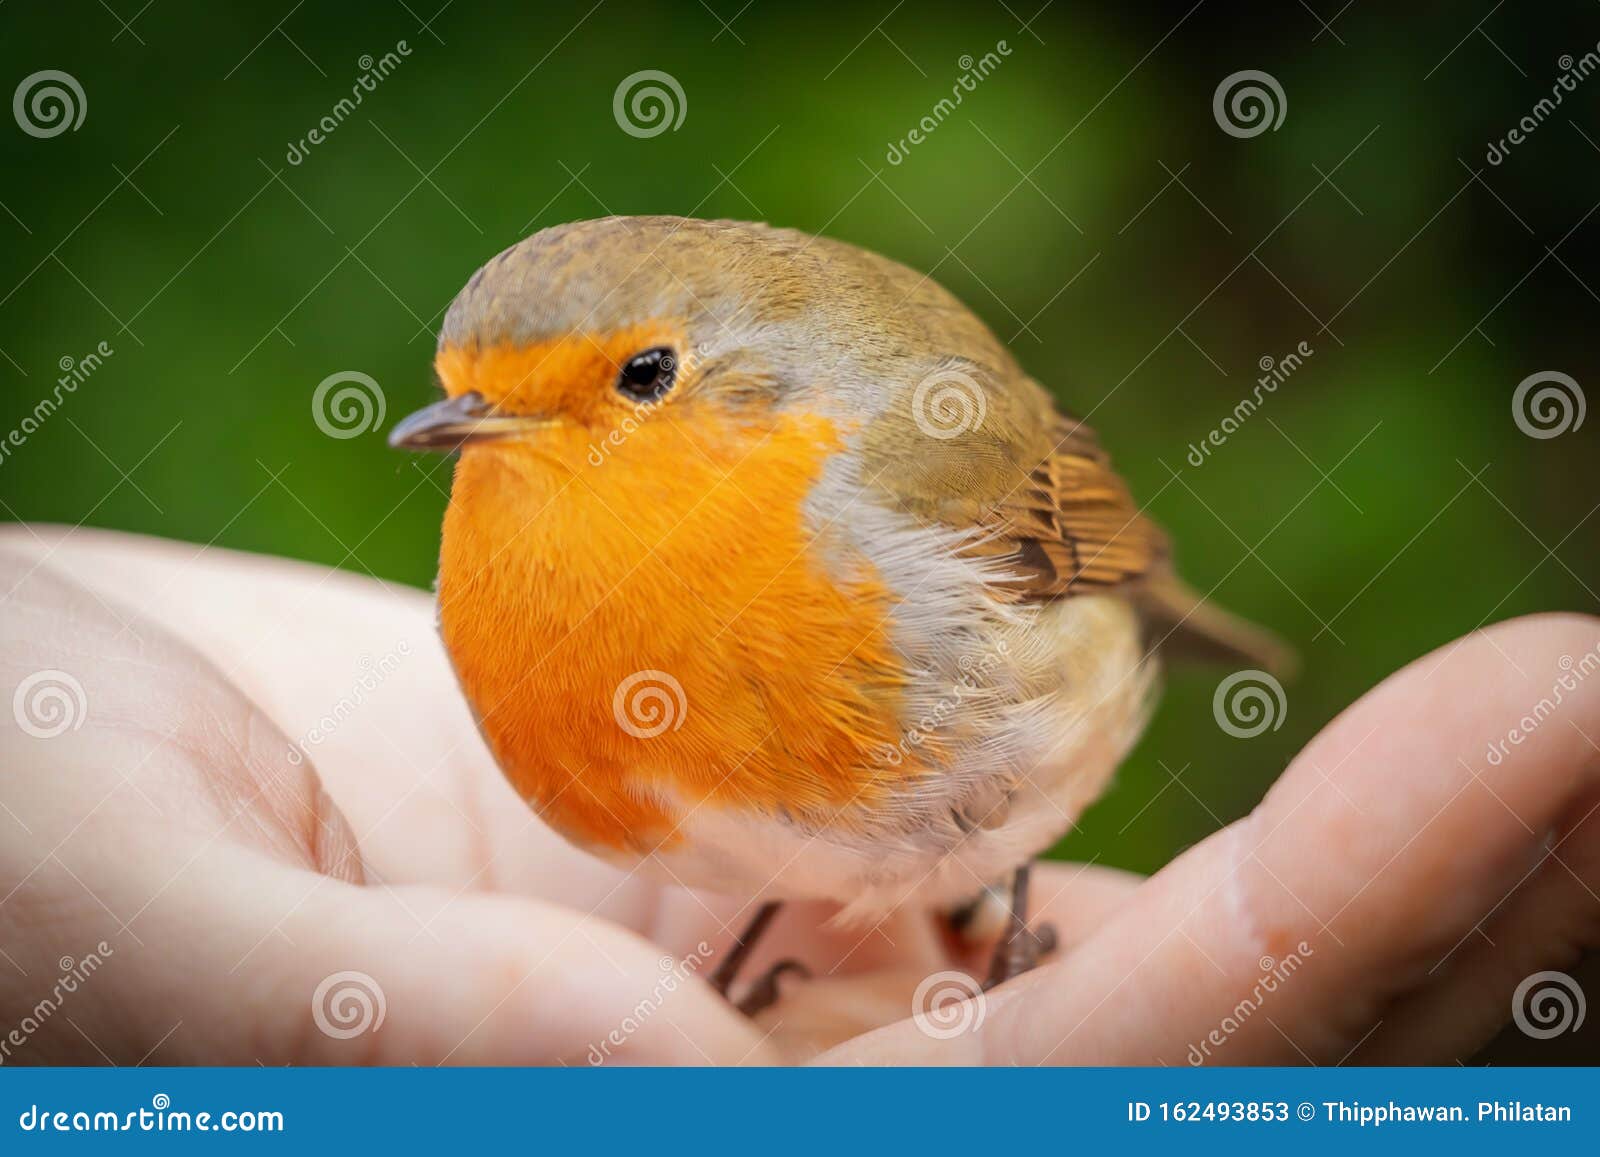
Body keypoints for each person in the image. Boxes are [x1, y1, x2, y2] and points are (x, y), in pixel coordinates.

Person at [1, 526, 1595, 1064]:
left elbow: (1069, 559)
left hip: (1038, 664)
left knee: (991, 861)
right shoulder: (532, 571)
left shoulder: (868, 498)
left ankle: (1004, 918)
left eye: (622, 380)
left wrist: (1002, 908)